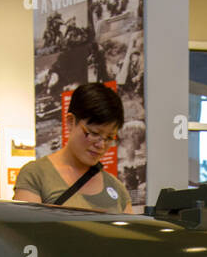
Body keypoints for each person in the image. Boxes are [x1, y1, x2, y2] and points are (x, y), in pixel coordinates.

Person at [14, 83, 133, 214]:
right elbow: (26, 232)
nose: (101, 145)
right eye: (94, 133)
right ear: (71, 122)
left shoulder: (117, 188)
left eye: (109, 138)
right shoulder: (36, 175)